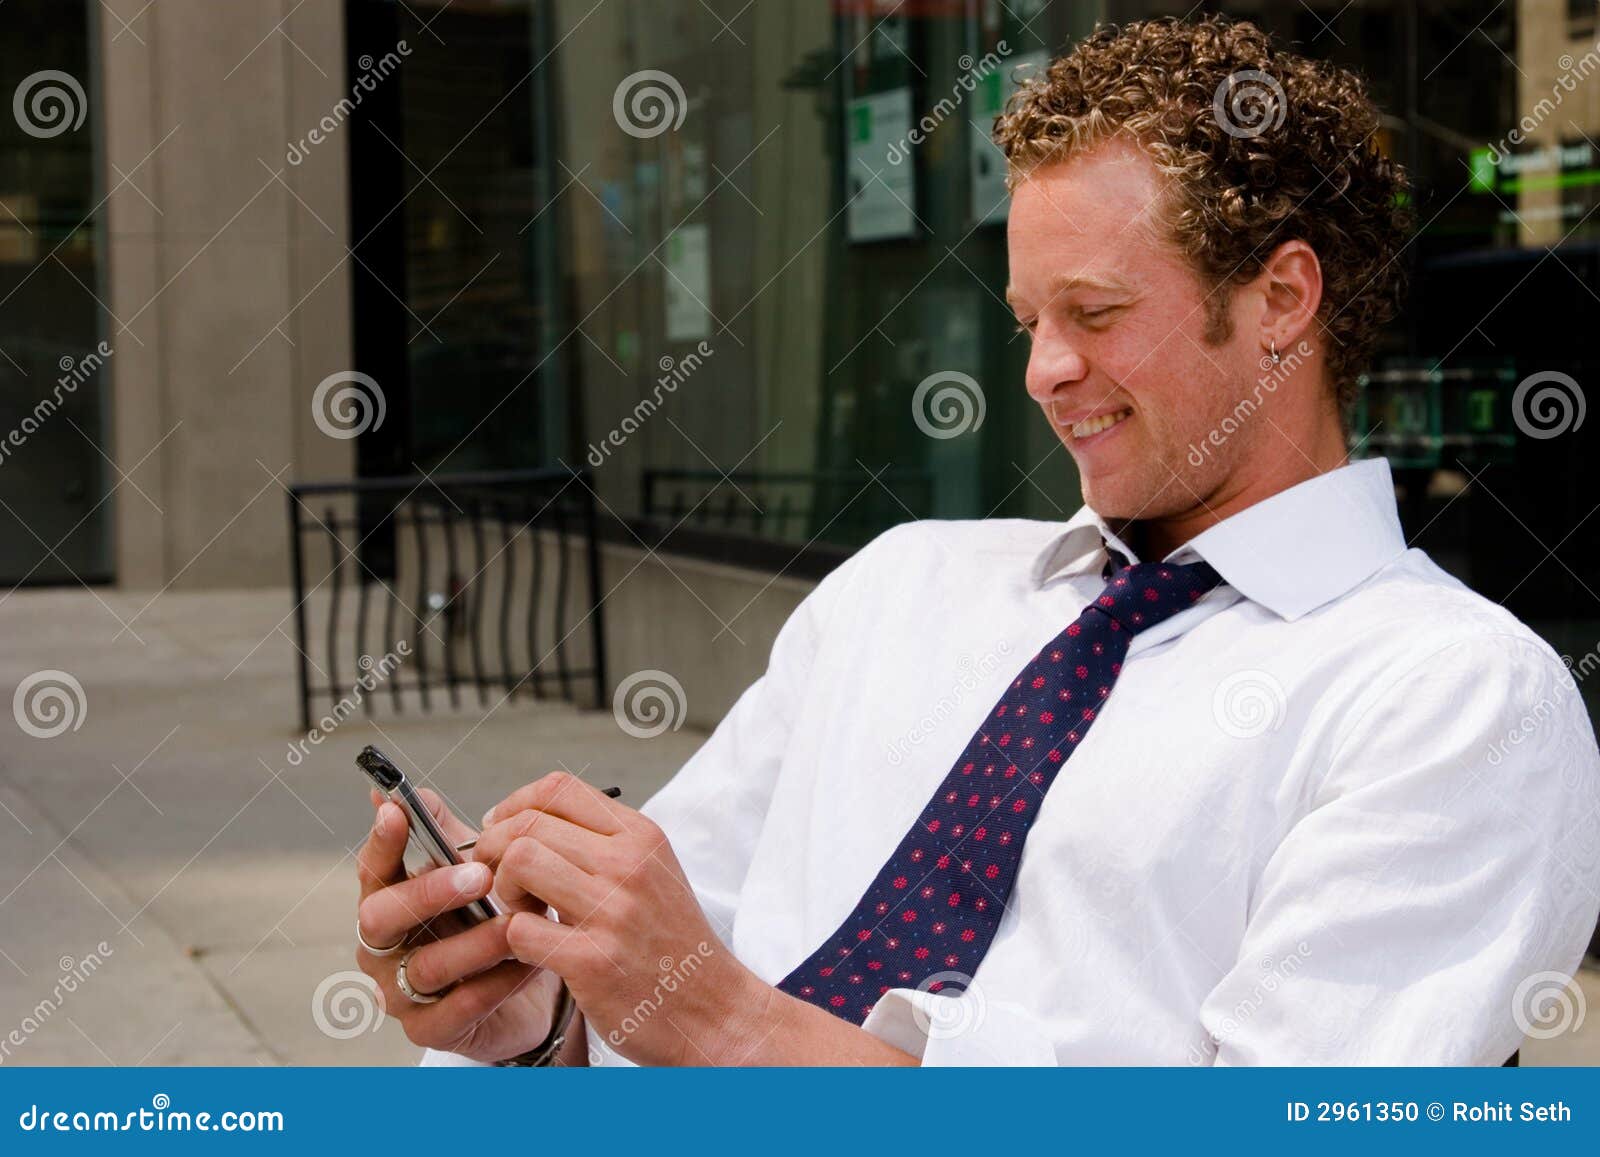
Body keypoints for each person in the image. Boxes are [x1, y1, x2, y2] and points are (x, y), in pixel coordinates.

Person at [353, 15, 1600, 1066]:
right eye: (1028, 319)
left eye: (1097, 313)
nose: (1048, 371)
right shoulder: (899, 585)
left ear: (1280, 299)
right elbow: (685, 942)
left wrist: (731, 1029)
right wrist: (543, 1007)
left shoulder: (1457, 702)